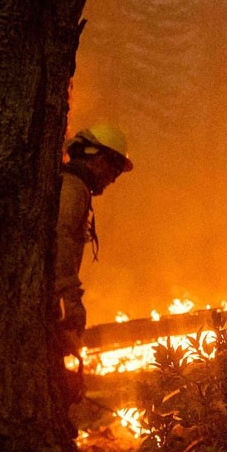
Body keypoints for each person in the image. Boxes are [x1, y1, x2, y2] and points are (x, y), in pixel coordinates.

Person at [55, 124, 133, 370]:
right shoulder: (72, 189)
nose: (113, 179)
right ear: (97, 158)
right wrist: (72, 305)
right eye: (115, 169)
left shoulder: (73, 186)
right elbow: (61, 239)